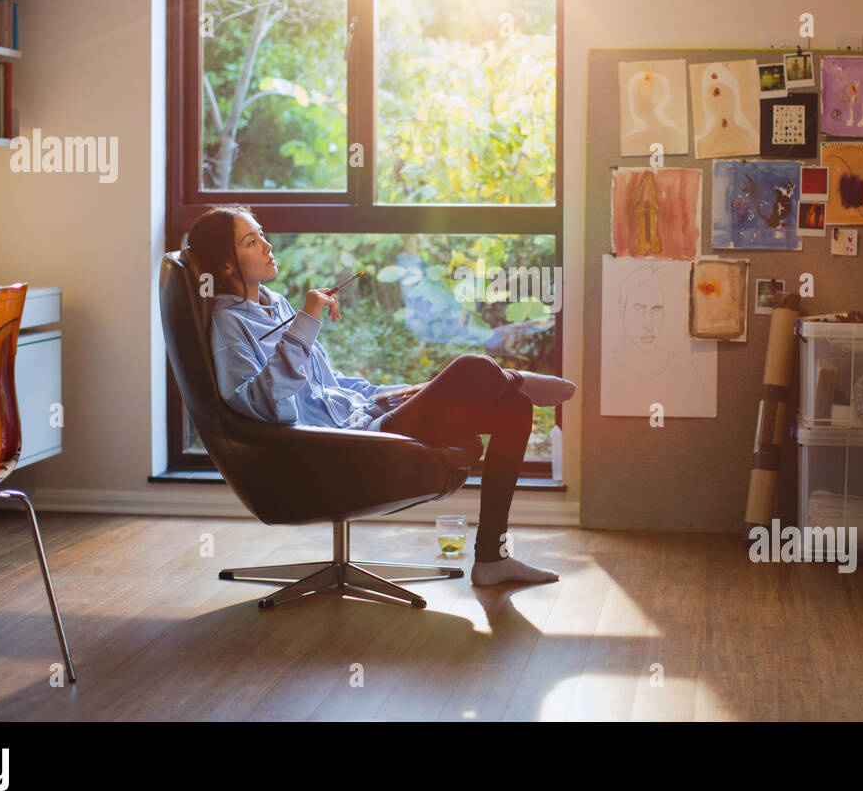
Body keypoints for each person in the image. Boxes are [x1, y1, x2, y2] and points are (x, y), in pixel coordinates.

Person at [184, 204, 575, 586]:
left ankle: (491, 557)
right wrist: (305, 322)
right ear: (226, 265)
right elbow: (264, 404)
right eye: (251, 241)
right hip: (337, 446)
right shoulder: (228, 325)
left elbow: (328, 383)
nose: (267, 245)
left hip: (365, 418)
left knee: (514, 410)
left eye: (262, 234)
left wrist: (391, 394)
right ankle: (515, 377)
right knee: (471, 366)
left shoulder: (275, 304)